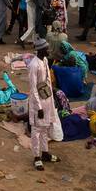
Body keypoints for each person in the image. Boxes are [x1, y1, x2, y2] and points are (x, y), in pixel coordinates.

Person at [26, 39, 59, 171]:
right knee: (36, 130)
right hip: (37, 102)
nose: (48, 50)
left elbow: (48, 82)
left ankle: (45, 153)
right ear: (40, 50)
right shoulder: (34, 65)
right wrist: (38, 107)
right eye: (46, 48)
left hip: (47, 99)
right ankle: (36, 157)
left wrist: (51, 99)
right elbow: (33, 88)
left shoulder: (44, 61)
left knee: (45, 128)